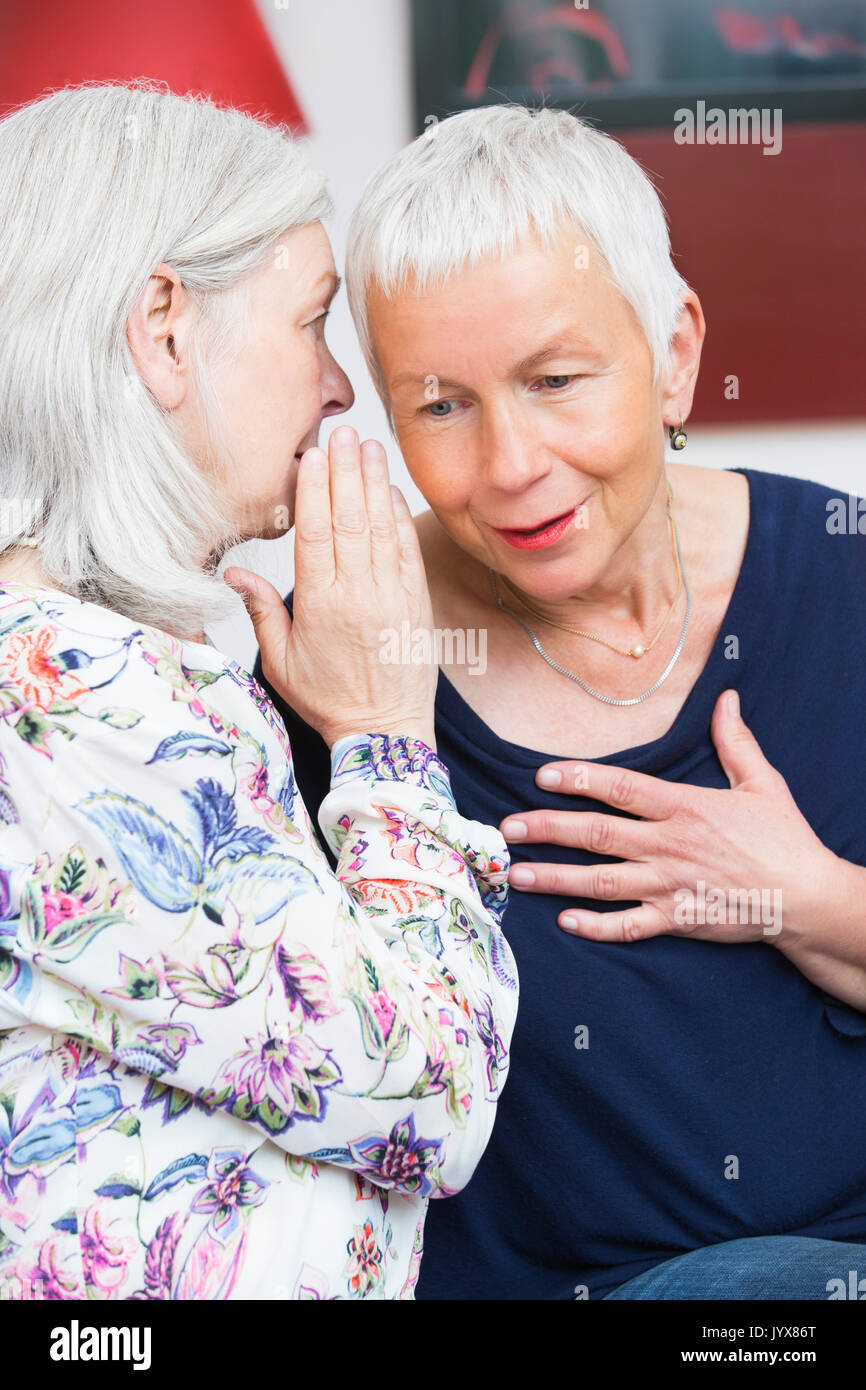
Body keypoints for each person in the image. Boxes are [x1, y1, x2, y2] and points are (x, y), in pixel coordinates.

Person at [257, 105, 866, 1300]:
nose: (511, 465)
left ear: (674, 350)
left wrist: (802, 897)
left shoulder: (842, 569)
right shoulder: (339, 655)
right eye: (440, 405)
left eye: (554, 380)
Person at [0, 82, 518, 1302]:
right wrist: (387, 734)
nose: (340, 390)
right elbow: (431, 1097)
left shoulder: (103, 667)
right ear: (165, 330)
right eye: (312, 323)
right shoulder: (70, 698)